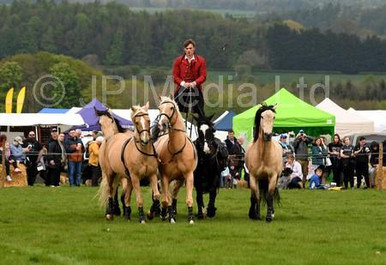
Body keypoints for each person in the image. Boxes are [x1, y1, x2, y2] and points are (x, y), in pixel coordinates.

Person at [173, 38, 207, 117]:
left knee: (200, 109)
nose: (188, 50)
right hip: (181, 88)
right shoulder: (178, 61)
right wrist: (183, 83)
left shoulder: (201, 61)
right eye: (187, 48)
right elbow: (175, 76)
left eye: (190, 48)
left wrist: (194, 83)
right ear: (184, 49)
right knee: (172, 107)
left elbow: (203, 76)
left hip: (195, 88)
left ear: (194, 49)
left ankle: (202, 124)